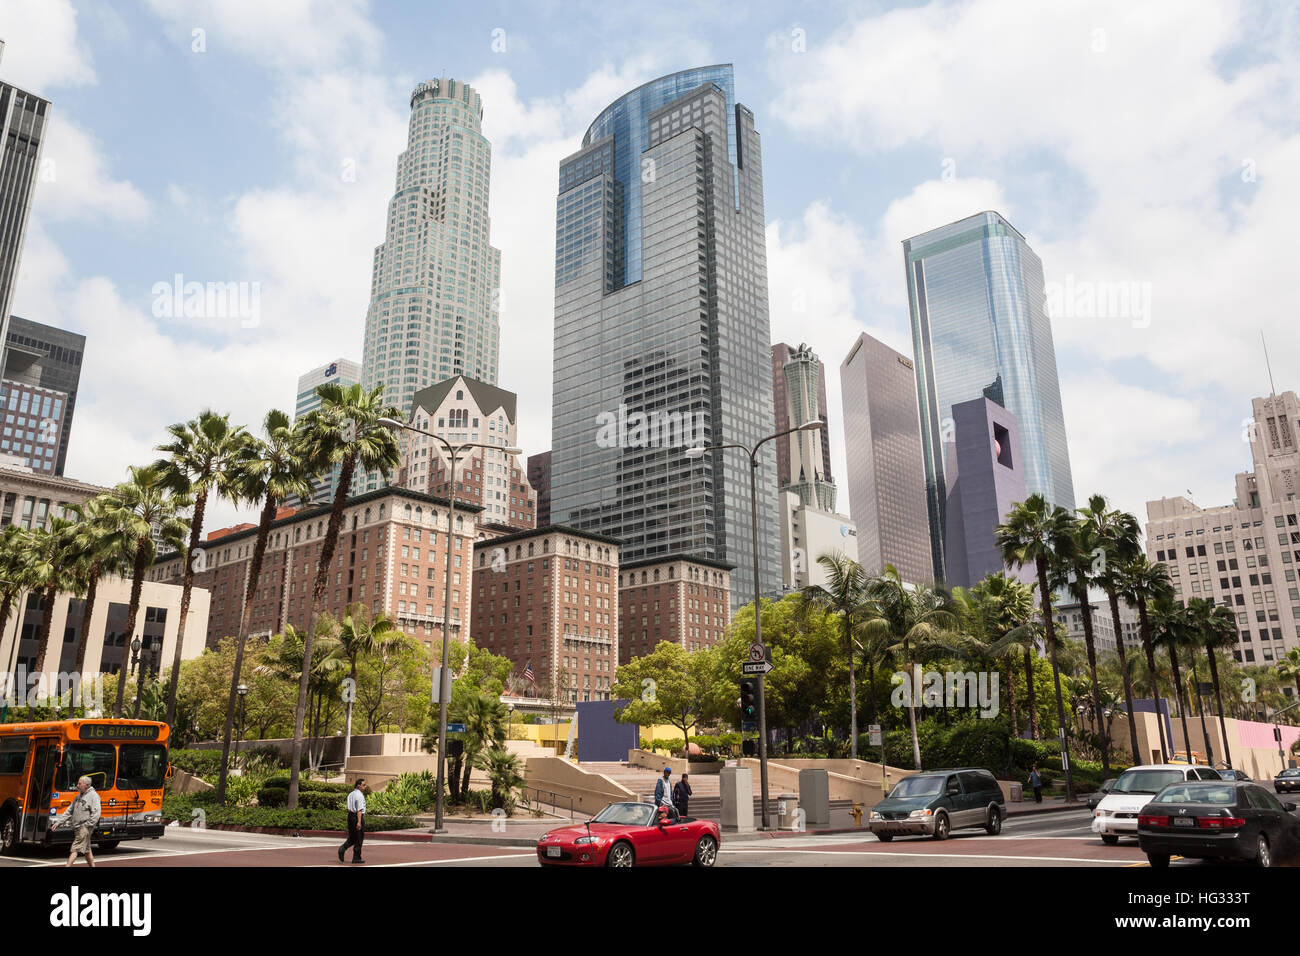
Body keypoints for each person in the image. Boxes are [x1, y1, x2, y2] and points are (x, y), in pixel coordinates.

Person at [58, 775, 101, 868]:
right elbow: (69, 810)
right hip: (77, 827)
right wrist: (59, 822)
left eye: (79, 784)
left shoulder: (94, 796)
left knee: (75, 848)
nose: (77, 785)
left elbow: (96, 813)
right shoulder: (78, 796)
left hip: (84, 827)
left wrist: (87, 825)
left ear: (87, 785)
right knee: (87, 850)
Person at [339, 778, 367, 863]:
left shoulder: (351, 794)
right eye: (364, 785)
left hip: (350, 816)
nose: (365, 787)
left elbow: (348, 809)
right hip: (357, 817)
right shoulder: (359, 795)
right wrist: (359, 822)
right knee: (359, 838)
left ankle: (342, 848)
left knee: (352, 837)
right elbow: (359, 809)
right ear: (359, 786)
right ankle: (356, 858)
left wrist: (351, 818)